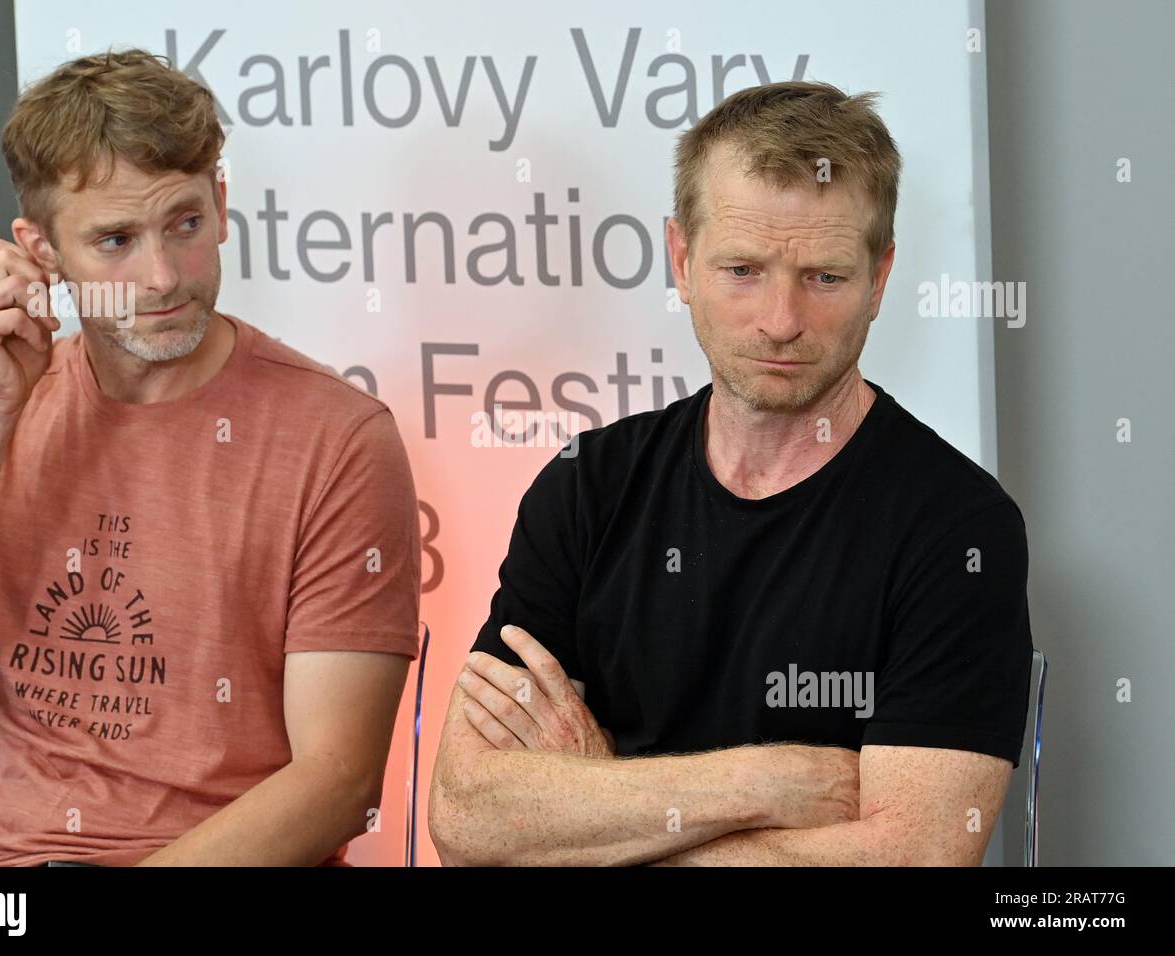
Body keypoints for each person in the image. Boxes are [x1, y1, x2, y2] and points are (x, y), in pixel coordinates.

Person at [429, 81, 1032, 866]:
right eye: (742, 269)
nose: (780, 320)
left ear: (880, 279)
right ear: (681, 259)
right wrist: (765, 780)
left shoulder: (959, 528)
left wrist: (597, 804)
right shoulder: (589, 486)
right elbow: (467, 817)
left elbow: (915, 859)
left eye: (824, 276)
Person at [0, 49, 421, 866]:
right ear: (42, 252)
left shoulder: (337, 438)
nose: (164, 276)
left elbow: (339, 781)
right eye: (116, 241)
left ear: (223, 204)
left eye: (186, 224)